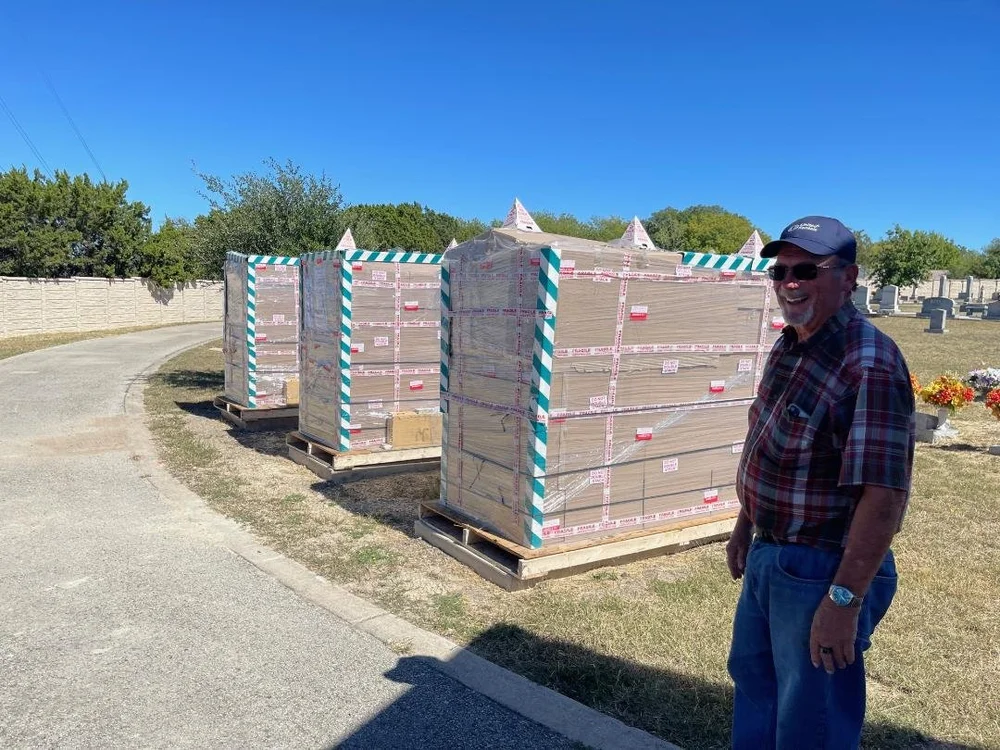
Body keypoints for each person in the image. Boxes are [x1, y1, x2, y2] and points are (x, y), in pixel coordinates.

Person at [726, 216, 916, 749]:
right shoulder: (790, 346)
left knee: (812, 722)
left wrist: (843, 601)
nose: (790, 281)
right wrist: (747, 524)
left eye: (807, 269)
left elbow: (884, 497)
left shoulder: (869, 362)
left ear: (848, 277)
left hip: (821, 569)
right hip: (773, 554)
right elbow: (765, 444)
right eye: (780, 270)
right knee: (758, 690)